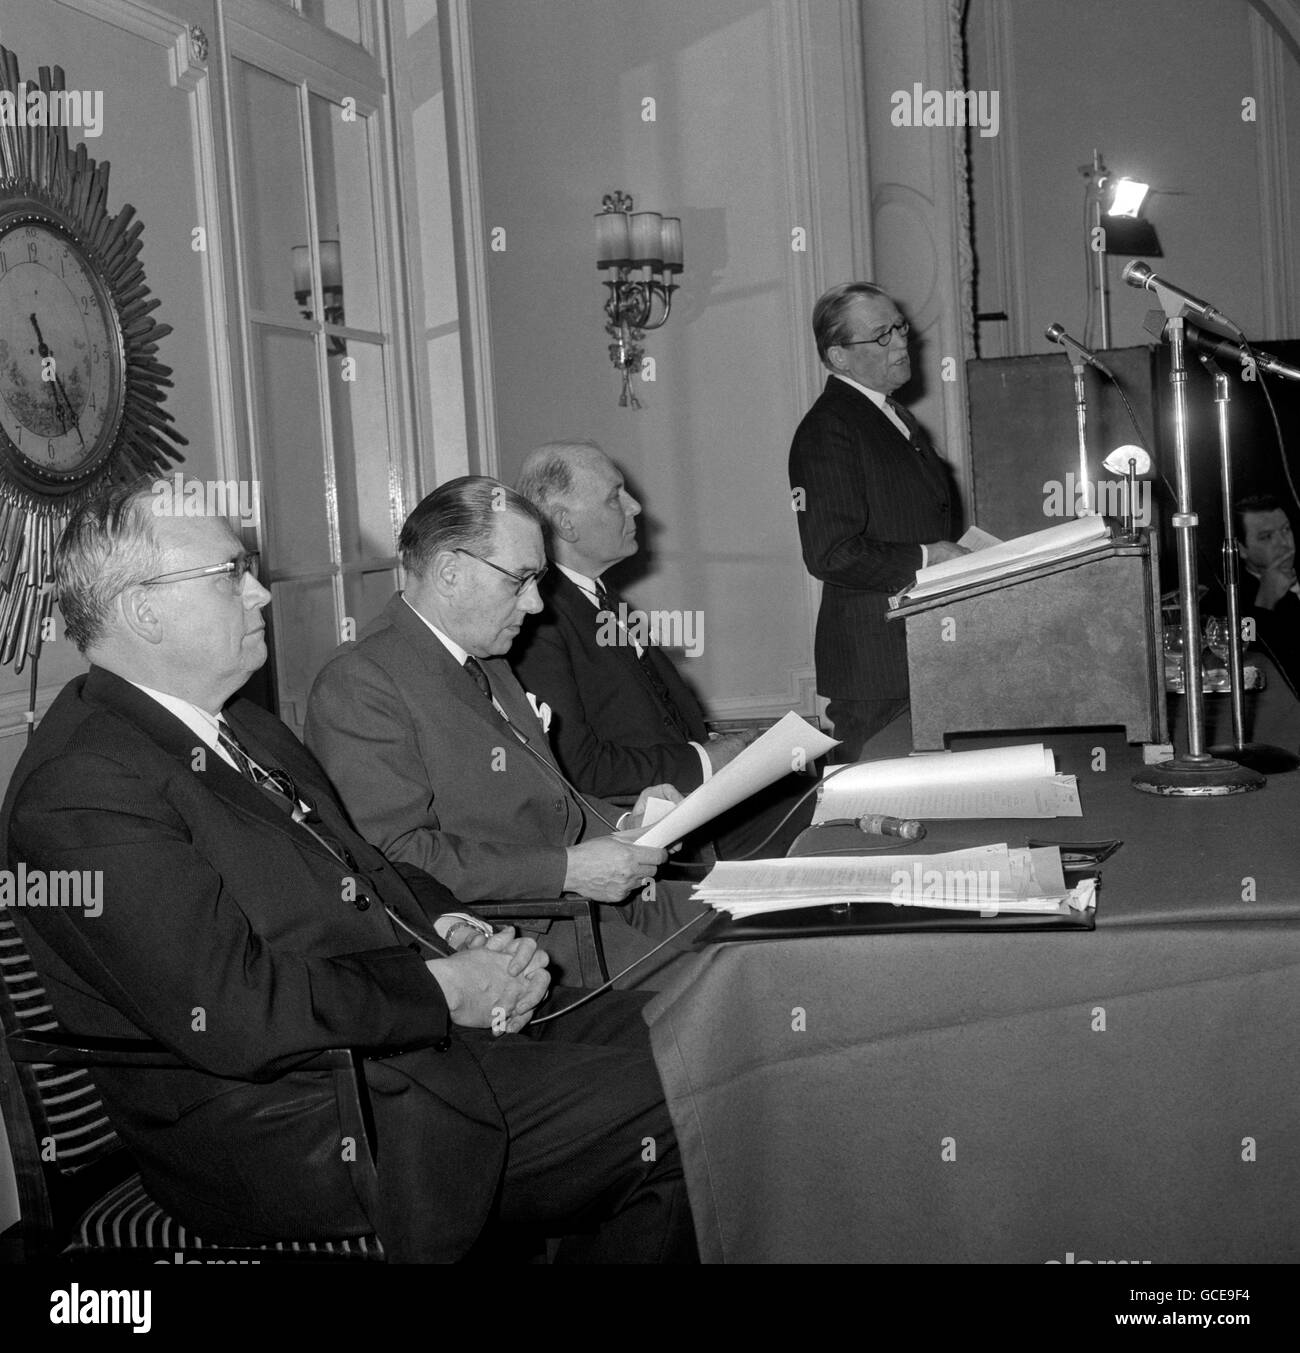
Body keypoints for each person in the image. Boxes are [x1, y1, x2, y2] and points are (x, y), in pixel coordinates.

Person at [1, 478, 696, 1263]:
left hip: (392, 1043)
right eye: (230, 573)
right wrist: (445, 986)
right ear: (142, 610)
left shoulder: (242, 724)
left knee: (697, 1042)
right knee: (686, 1107)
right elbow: (231, 1009)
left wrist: (448, 926)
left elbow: (366, 864)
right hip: (295, 1120)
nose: (260, 592)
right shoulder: (82, 787)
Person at [304, 476, 709, 984]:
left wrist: (629, 824)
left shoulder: (486, 659)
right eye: (518, 580)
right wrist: (567, 870)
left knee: (772, 932)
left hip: (599, 908)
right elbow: (394, 856)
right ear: (450, 572)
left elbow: (549, 804)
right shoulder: (361, 681)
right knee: (733, 992)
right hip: (524, 943)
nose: (536, 604)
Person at [512, 440, 815, 856]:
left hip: (692, 800)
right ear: (565, 522)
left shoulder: (599, 595)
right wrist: (708, 760)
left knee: (821, 794)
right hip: (646, 828)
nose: (635, 506)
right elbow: (579, 768)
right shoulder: (539, 618)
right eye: (614, 496)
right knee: (819, 813)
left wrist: (727, 751)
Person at [788, 282, 965, 761]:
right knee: (871, 813)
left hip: (919, 649)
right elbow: (830, 553)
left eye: (900, 328)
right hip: (876, 664)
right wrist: (934, 556)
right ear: (839, 356)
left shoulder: (891, 415)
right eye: (881, 336)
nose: (902, 343)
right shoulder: (829, 428)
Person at [1232, 493, 1300, 696]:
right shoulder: (1231, 596)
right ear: (1241, 548)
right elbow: (1244, 651)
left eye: (1286, 530)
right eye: (1267, 537)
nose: (1285, 543)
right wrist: (1265, 602)